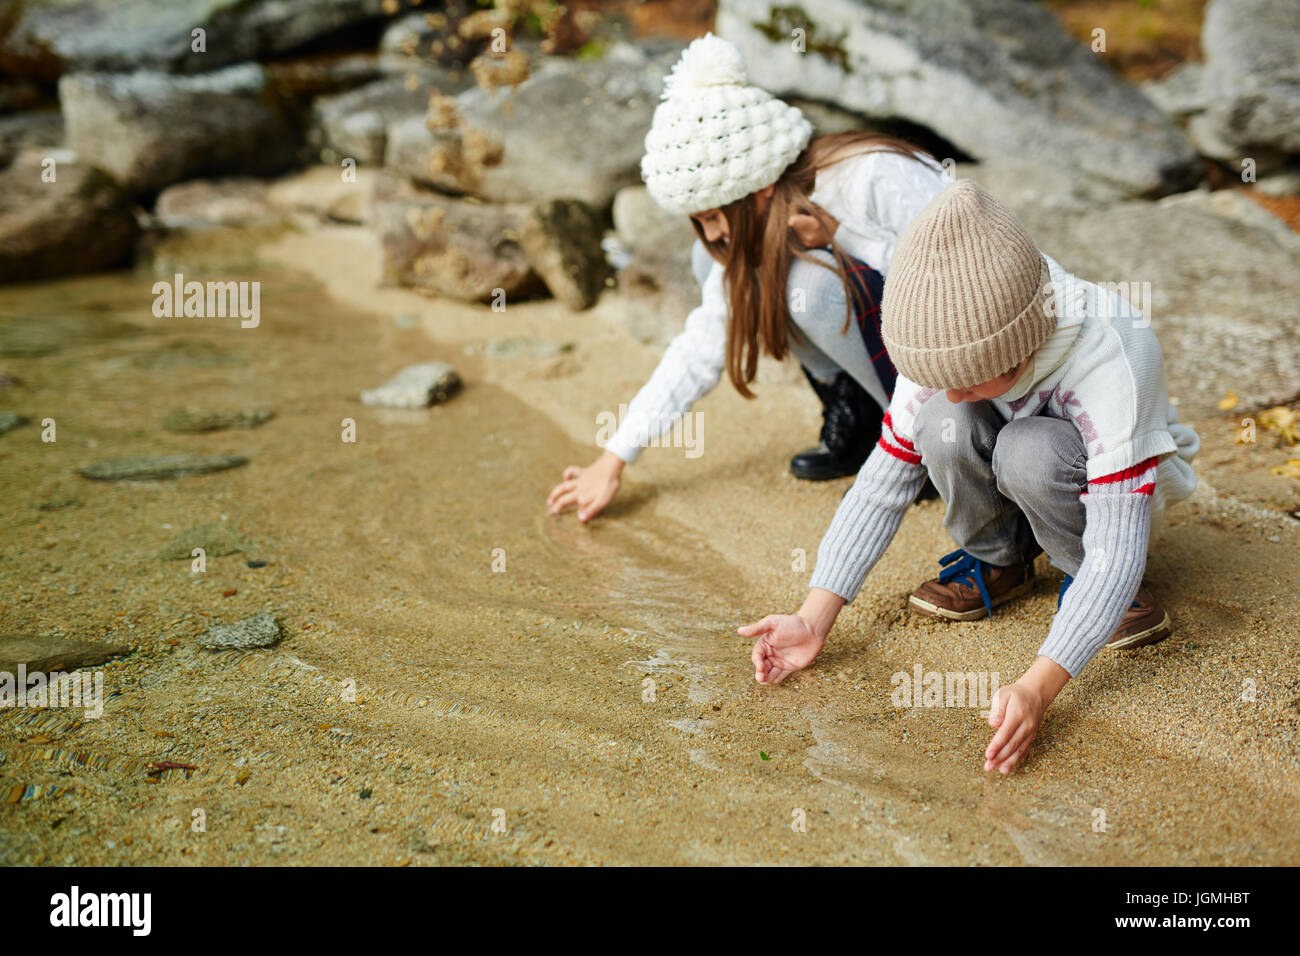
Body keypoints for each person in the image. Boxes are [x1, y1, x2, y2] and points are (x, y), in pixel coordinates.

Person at [741, 180, 1199, 774]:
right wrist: (811, 616)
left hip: (1117, 505)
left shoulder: (1113, 346)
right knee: (945, 422)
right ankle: (1001, 557)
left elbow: (1118, 542)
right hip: (1022, 463)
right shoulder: (942, 336)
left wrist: (1036, 686)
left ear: (1022, 344)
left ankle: (1098, 591)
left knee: (1029, 450)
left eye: (969, 378)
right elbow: (881, 488)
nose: (949, 390)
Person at [547, 33, 946, 522]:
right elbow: (700, 350)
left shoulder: (871, 176)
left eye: (716, 215)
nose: (712, 231)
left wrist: (845, 237)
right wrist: (613, 460)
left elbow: (955, 275)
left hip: (948, 362)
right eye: (699, 219)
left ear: (762, 187)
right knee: (717, 263)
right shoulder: (764, 216)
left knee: (810, 289)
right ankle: (858, 415)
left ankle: (919, 442)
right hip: (888, 341)